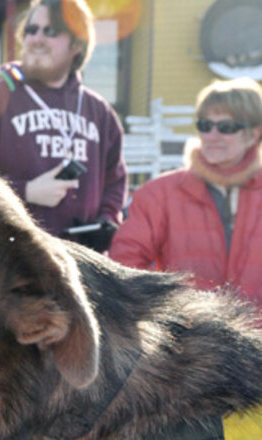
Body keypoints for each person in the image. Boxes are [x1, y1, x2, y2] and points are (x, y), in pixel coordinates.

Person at [0, 0, 126, 253]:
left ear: (77, 44)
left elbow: (114, 182)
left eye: (51, 31)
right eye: (32, 30)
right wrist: (26, 191)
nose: (37, 38)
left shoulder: (99, 112)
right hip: (12, 263)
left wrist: (106, 223)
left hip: (84, 264)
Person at [110, 78, 262, 306]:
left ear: (253, 134)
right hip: (189, 337)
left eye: (226, 127)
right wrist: (166, 318)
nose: (212, 135)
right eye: (204, 125)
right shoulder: (158, 194)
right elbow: (124, 268)